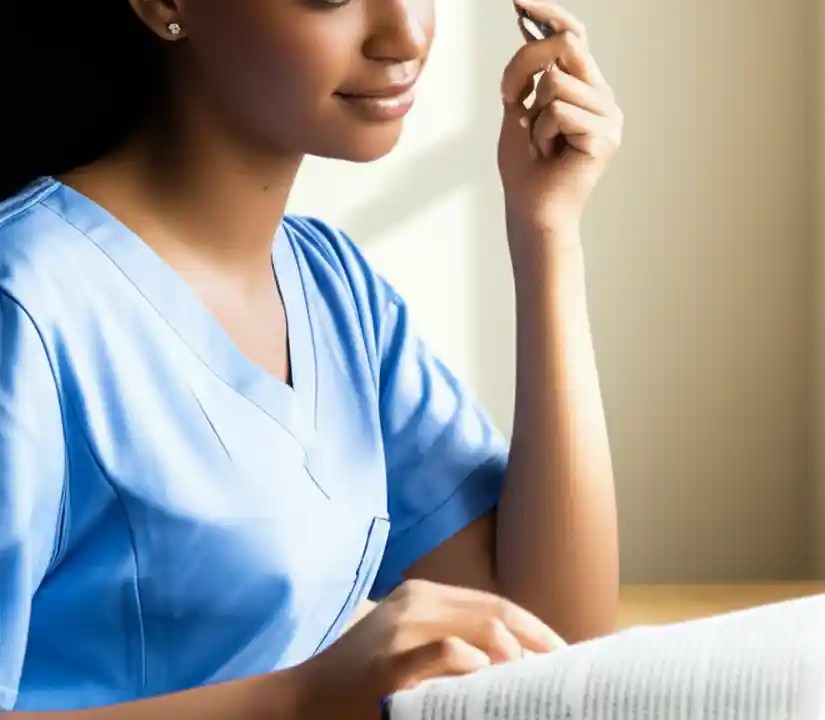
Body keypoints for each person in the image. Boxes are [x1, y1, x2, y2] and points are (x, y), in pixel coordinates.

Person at [0, 0, 623, 717]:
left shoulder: (338, 295)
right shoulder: (27, 309)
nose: (407, 34)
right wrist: (302, 699)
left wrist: (546, 230)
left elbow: (548, 644)